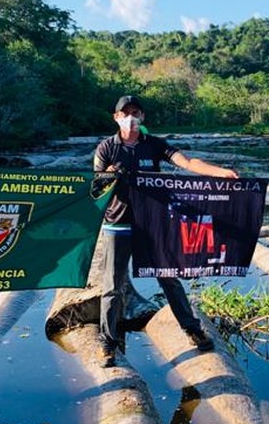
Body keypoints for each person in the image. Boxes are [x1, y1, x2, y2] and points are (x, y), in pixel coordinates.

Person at [94, 95, 238, 367]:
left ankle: (193, 330)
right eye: (125, 113)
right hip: (118, 224)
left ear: (143, 117)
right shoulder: (106, 149)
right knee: (113, 286)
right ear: (116, 118)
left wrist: (219, 172)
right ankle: (108, 343)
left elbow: (187, 162)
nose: (131, 117)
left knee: (169, 278)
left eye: (136, 112)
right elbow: (95, 188)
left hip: (152, 225)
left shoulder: (155, 145)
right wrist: (109, 174)